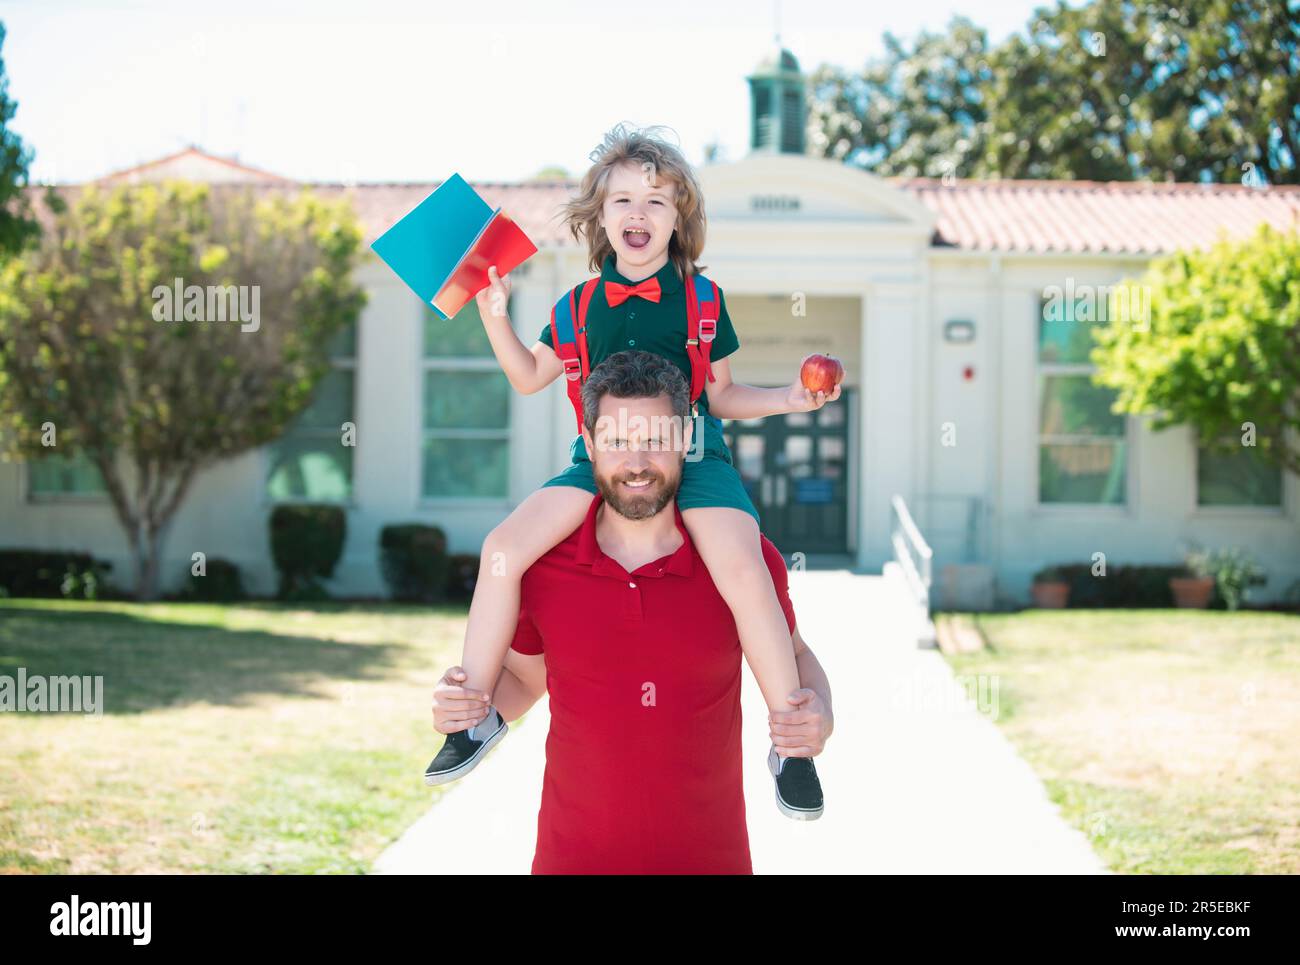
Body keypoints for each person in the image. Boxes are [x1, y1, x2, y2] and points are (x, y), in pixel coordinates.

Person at [424, 123, 841, 817]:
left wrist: (792, 398)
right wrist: (495, 316)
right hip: (598, 461)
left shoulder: (704, 300)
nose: (638, 214)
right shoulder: (578, 306)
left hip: (696, 451)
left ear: (680, 219)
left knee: (743, 566)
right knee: (502, 549)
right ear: (600, 218)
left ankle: (790, 742)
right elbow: (530, 375)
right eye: (621, 201)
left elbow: (724, 395)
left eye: (656, 200)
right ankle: (475, 714)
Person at [431, 351, 834, 873]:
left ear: (685, 441)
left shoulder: (743, 563)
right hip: (571, 858)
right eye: (618, 442)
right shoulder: (543, 566)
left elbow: (797, 655)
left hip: (710, 859)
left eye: (655, 441)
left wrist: (817, 714)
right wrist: (468, 709)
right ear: (590, 444)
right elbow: (525, 680)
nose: (637, 463)